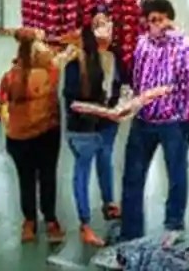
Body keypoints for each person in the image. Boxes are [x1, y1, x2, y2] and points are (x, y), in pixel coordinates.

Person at [120, 0, 189, 242]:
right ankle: (130, 231)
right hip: (144, 120)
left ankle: (174, 226)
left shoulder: (185, 48)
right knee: (133, 176)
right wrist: (132, 101)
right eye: (152, 21)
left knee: (176, 174)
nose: (157, 25)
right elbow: (137, 79)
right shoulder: (142, 45)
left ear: (170, 19)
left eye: (161, 19)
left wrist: (186, 120)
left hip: (174, 123)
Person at [0, 28, 75, 245]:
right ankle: (51, 221)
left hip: (17, 138)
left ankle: (29, 222)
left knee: (26, 179)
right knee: (47, 177)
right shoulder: (50, 71)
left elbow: (0, 106)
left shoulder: (9, 77)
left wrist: (11, 124)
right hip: (46, 134)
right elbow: (70, 53)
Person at [63, 16, 125, 247]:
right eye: (99, 25)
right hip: (84, 130)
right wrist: (98, 110)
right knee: (82, 171)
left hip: (108, 125)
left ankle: (109, 203)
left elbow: (122, 84)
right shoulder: (76, 64)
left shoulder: (114, 56)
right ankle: (85, 223)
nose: (106, 29)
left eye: (109, 23)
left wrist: (121, 105)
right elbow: (71, 99)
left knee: (106, 160)